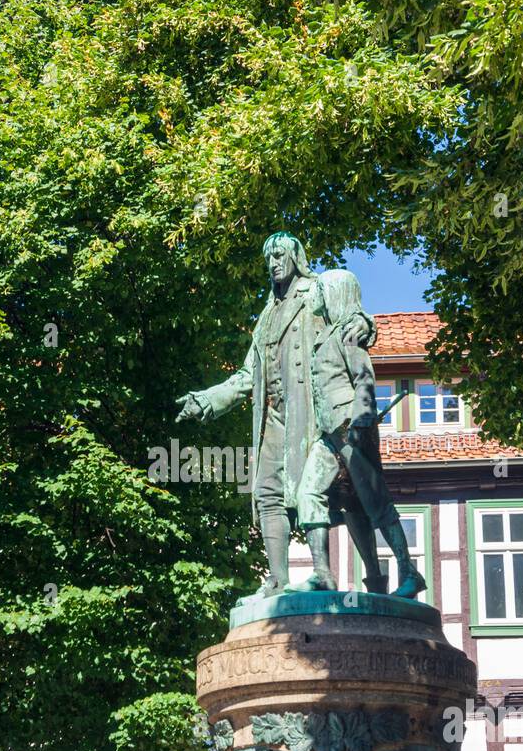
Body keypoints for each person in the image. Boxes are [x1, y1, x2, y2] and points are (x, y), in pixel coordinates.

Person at [176, 233, 373, 597]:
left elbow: (350, 315)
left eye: (279, 255)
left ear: (296, 257)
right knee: (268, 493)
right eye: (269, 257)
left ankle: (325, 573)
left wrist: (365, 323)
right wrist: (207, 400)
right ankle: (278, 579)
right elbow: (249, 374)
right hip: (274, 417)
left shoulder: (316, 291)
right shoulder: (266, 314)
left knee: (331, 493)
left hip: (311, 411)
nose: (273, 263)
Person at [294, 270, 425, 596]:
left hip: (351, 428)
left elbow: (364, 377)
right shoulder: (327, 334)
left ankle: (409, 572)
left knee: (373, 501)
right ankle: (322, 573)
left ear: (334, 293)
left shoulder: (348, 333)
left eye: (320, 291)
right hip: (329, 433)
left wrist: (362, 421)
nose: (315, 297)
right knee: (307, 494)